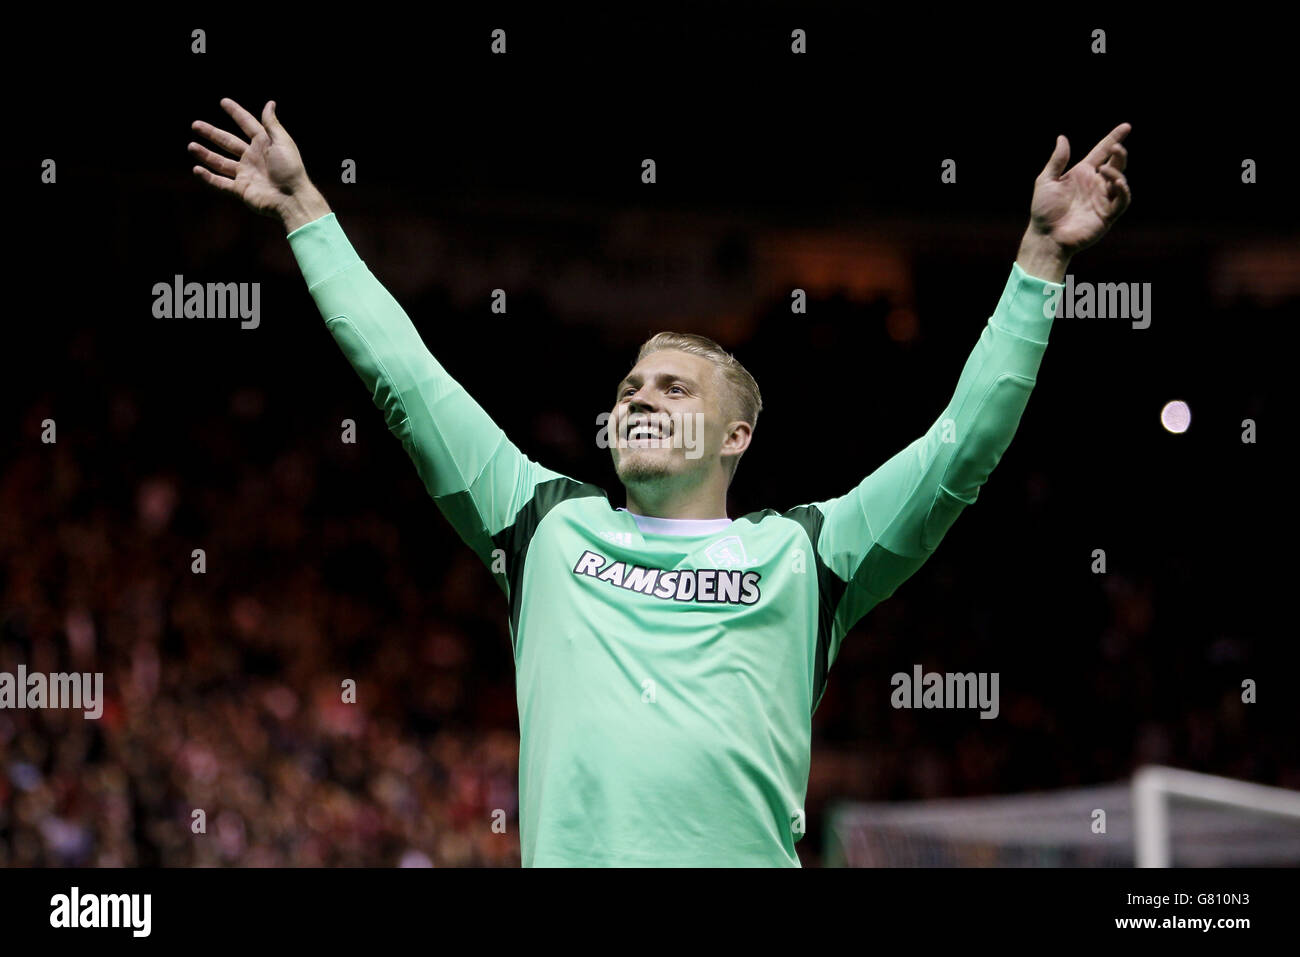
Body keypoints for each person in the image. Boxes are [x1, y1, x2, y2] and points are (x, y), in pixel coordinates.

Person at [189, 99, 1131, 866]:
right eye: (630, 384)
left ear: (736, 433)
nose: (640, 396)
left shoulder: (809, 554)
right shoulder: (541, 523)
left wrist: (1041, 260)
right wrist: (307, 212)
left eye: (672, 386)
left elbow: (957, 451)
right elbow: (407, 377)